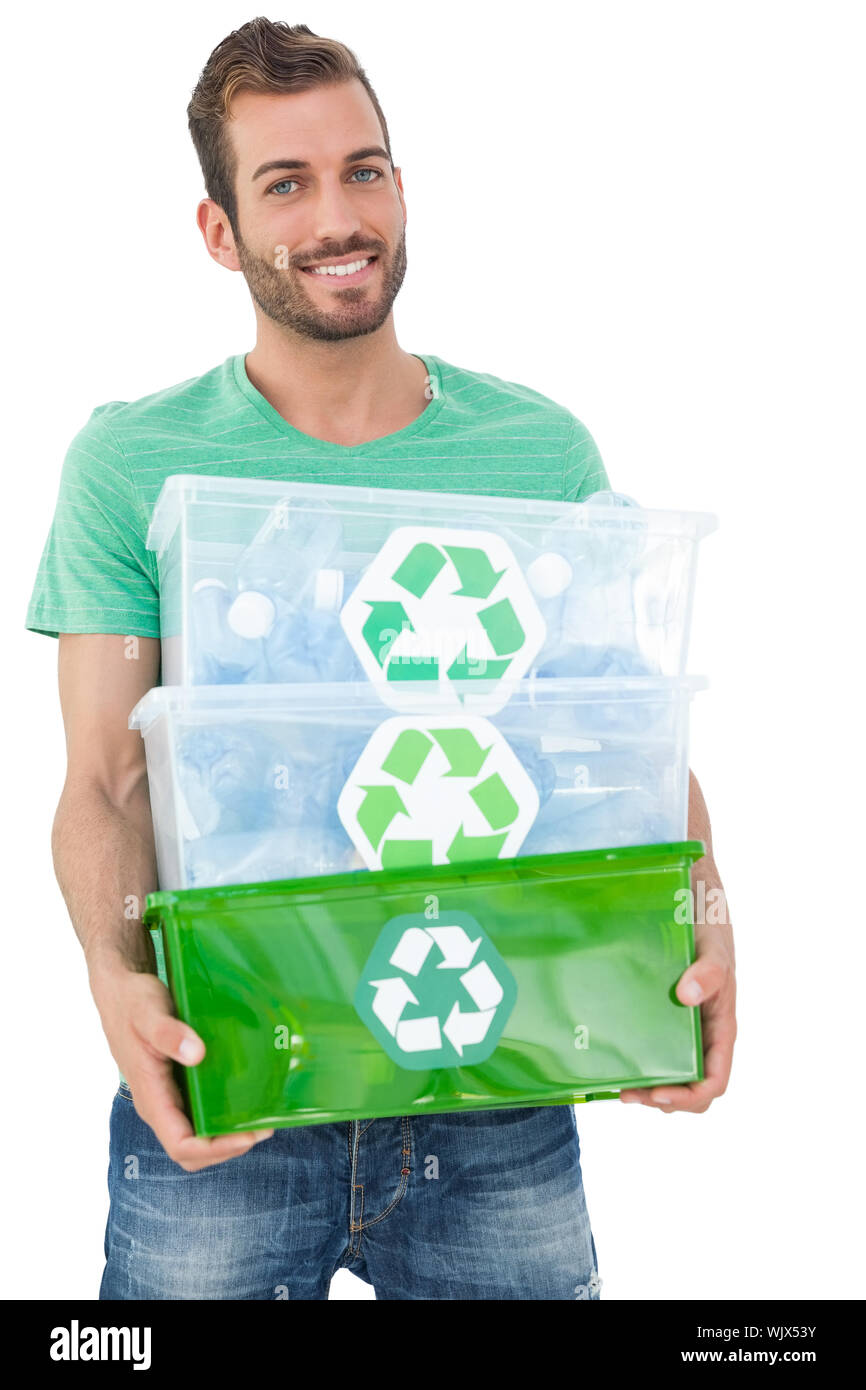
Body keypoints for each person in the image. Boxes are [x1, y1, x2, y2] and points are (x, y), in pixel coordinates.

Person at [26, 18, 736, 1301]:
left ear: (401, 188)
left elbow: (618, 741)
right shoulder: (134, 465)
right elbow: (107, 781)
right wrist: (112, 974)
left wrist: (708, 922)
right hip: (233, 1067)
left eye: (363, 169)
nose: (337, 215)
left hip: (499, 1083)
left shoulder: (538, 455)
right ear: (218, 230)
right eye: (283, 183)